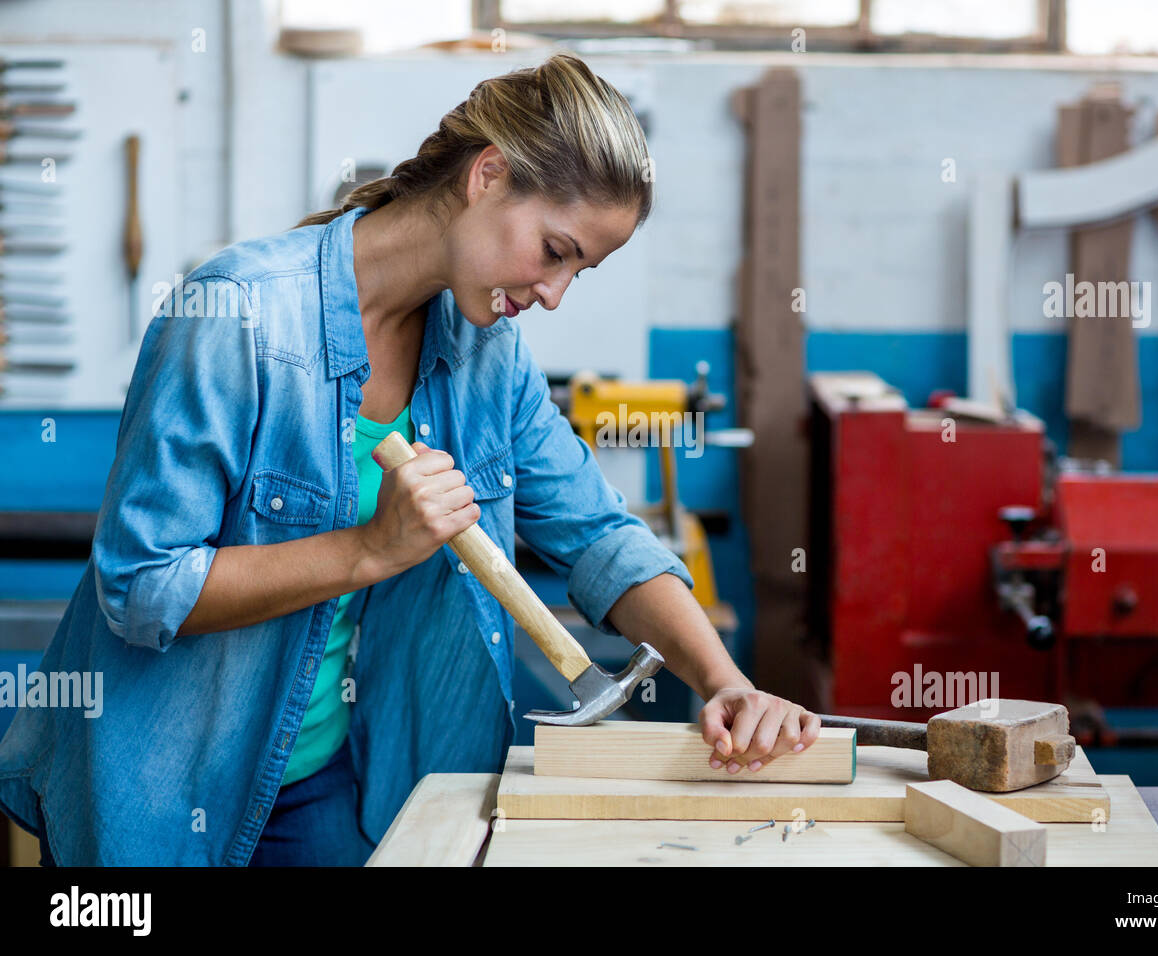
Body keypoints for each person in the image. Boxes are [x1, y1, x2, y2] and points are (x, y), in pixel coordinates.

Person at [0, 53, 820, 866]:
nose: (555, 293)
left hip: (330, 776)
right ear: (489, 175)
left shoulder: (487, 357)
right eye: (555, 249)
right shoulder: (235, 315)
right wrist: (368, 549)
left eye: (581, 270)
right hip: (167, 782)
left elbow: (598, 534)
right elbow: (143, 588)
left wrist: (723, 682)